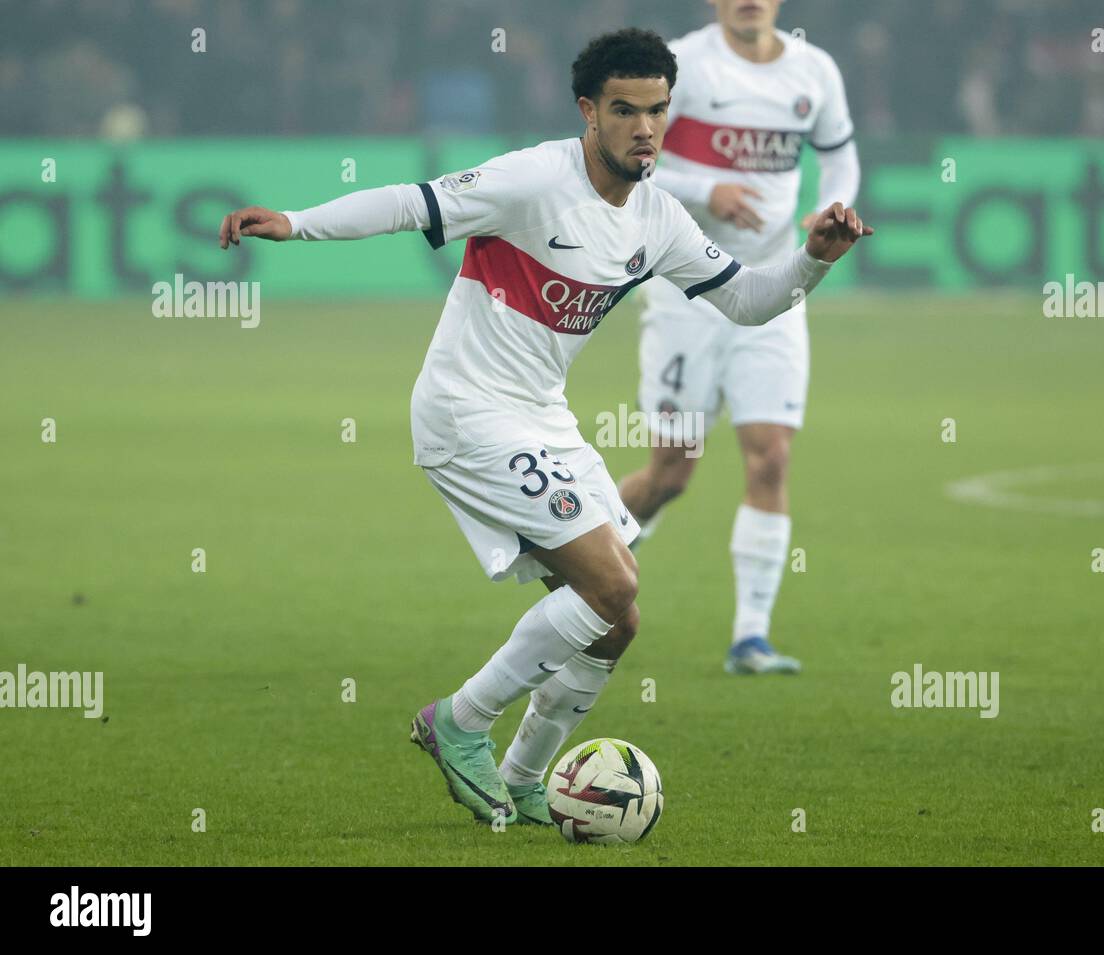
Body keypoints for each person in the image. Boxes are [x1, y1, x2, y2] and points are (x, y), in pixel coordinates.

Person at [216, 27, 868, 826]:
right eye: (625, 111)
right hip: (466, 408)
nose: (645, 129)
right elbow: (408, 203)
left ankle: (527, 777)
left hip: (540, 416)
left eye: (658, 111)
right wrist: (294, 222)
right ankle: (457, 720)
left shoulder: (657, 218)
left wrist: (815, 258)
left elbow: (750, 301)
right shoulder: (531, 179)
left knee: (617, 621)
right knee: (613, 582)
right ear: (588, 111)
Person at [617, 0, 860, 675]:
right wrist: (707, 190)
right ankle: (584, 560)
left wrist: (831, 206)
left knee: (770, 457)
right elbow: (629, 156)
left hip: (778, 285)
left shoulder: (814, 71)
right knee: (672, 472)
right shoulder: (682, 64)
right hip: (687, 288)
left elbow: (840, 156)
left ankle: (751, 638)